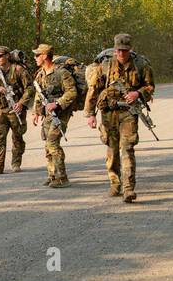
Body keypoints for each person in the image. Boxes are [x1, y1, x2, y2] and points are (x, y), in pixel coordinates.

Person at [84, 33, 155, 201]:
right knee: (112, 149)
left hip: (129, 112)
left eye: (125, 50)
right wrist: (90, 114)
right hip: (109, 112)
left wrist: (137, 93)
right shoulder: (105, 66)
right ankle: (115, 183)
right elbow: (93, 89)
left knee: (127, 148)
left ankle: (128, 188)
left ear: (130, 49)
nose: (121, 54)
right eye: (118, 50)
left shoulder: (141, 65)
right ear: (115, 50)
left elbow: (150, 86)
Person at [30, 43, 78, 188]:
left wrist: (57, 103)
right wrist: (36, 112)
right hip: (48, 114)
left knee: (52, 142)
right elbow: (39, 95)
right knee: (47, 144)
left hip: (61, 113)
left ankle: (62, 177)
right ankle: (52, 175)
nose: (35, 58)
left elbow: (72, 92)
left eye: (37, 55)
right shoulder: (41, 74)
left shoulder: (61, 72)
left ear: (45, 56)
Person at [0, 45, 30, 173]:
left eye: (0, 56)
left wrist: (21, 103)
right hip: (2, 109)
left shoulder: (18, 70)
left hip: (16, 109)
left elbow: (30, 88)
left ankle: (16, 163)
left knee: (17, 137)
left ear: (7, 56)